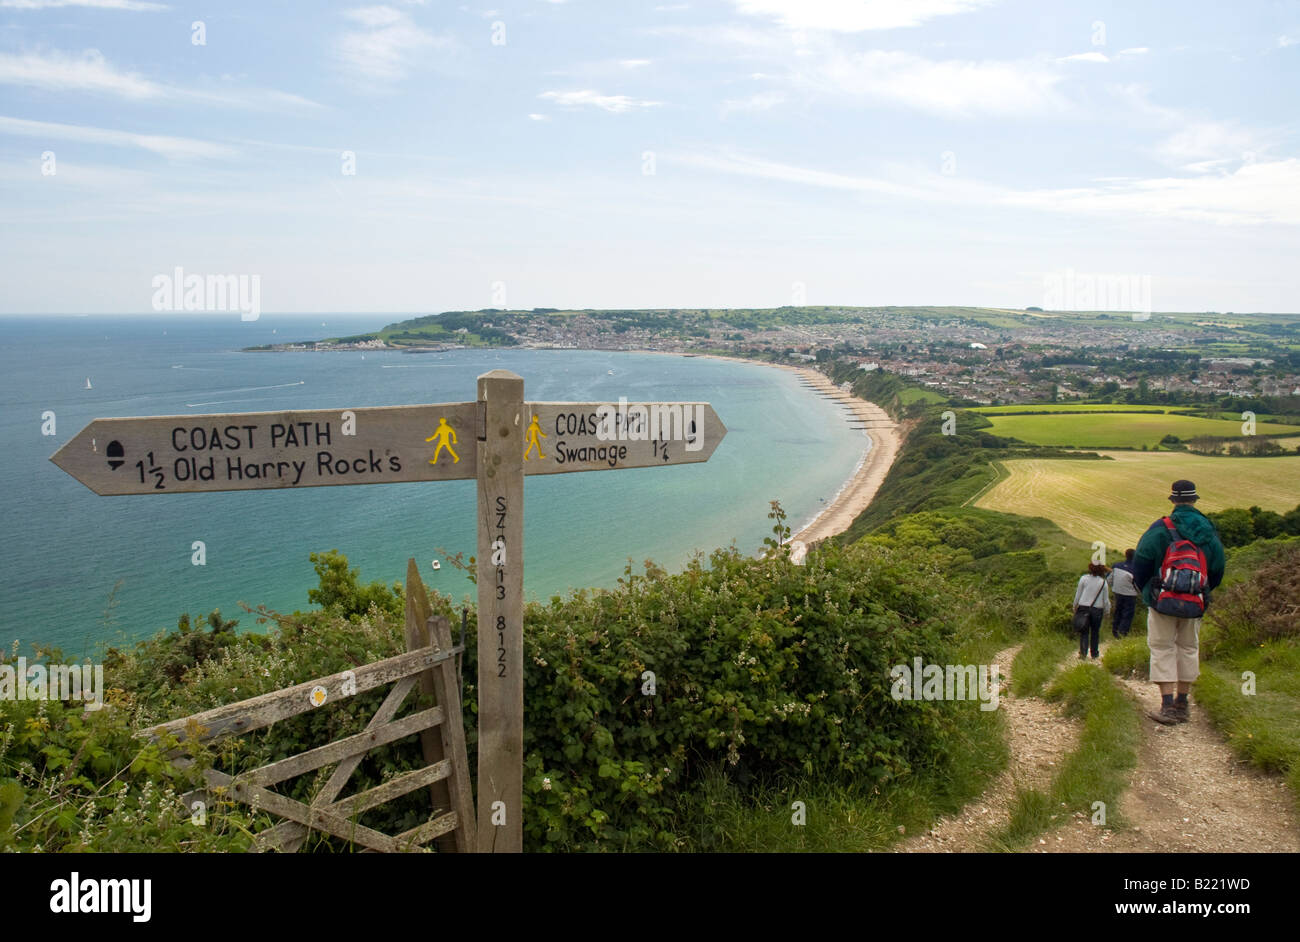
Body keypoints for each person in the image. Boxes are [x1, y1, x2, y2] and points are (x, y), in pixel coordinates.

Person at [1131, 479, 1226, 725]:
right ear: (1195, 500)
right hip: (1195, 600)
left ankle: (1167, 705)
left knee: (1162, 647)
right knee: (1188, 647)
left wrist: (1146, 591)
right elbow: (1217, 568)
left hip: (1162, 599)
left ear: (1173, 500)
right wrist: (1200, 591)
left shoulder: (1161, 527)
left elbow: (1141, 561)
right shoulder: (1208, 530)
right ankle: (1183, 704)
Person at [1072, 561, 1111, 660]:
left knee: (1084, 632)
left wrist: (1074, 606)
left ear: (1090, 568)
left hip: (1083, 607)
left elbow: (1078, 594)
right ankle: (1094, 654)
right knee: (1095, 632)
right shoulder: (1103, 582)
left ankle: (1083, 654)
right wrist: (1107, 612)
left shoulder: (1084, 579)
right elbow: (1106, 600)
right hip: (1097, 610)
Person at [1108, 548, 1139, 638]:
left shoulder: (1117, 565)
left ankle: (1114, 630)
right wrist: (1138, 592)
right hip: (1130, 595)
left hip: (1117, 592)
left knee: (1118, 611)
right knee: (1128, 614)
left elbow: (1109, 580)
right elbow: (1137, 584)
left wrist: (1113, 587)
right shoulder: (1135, 569)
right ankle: (1122, 633)